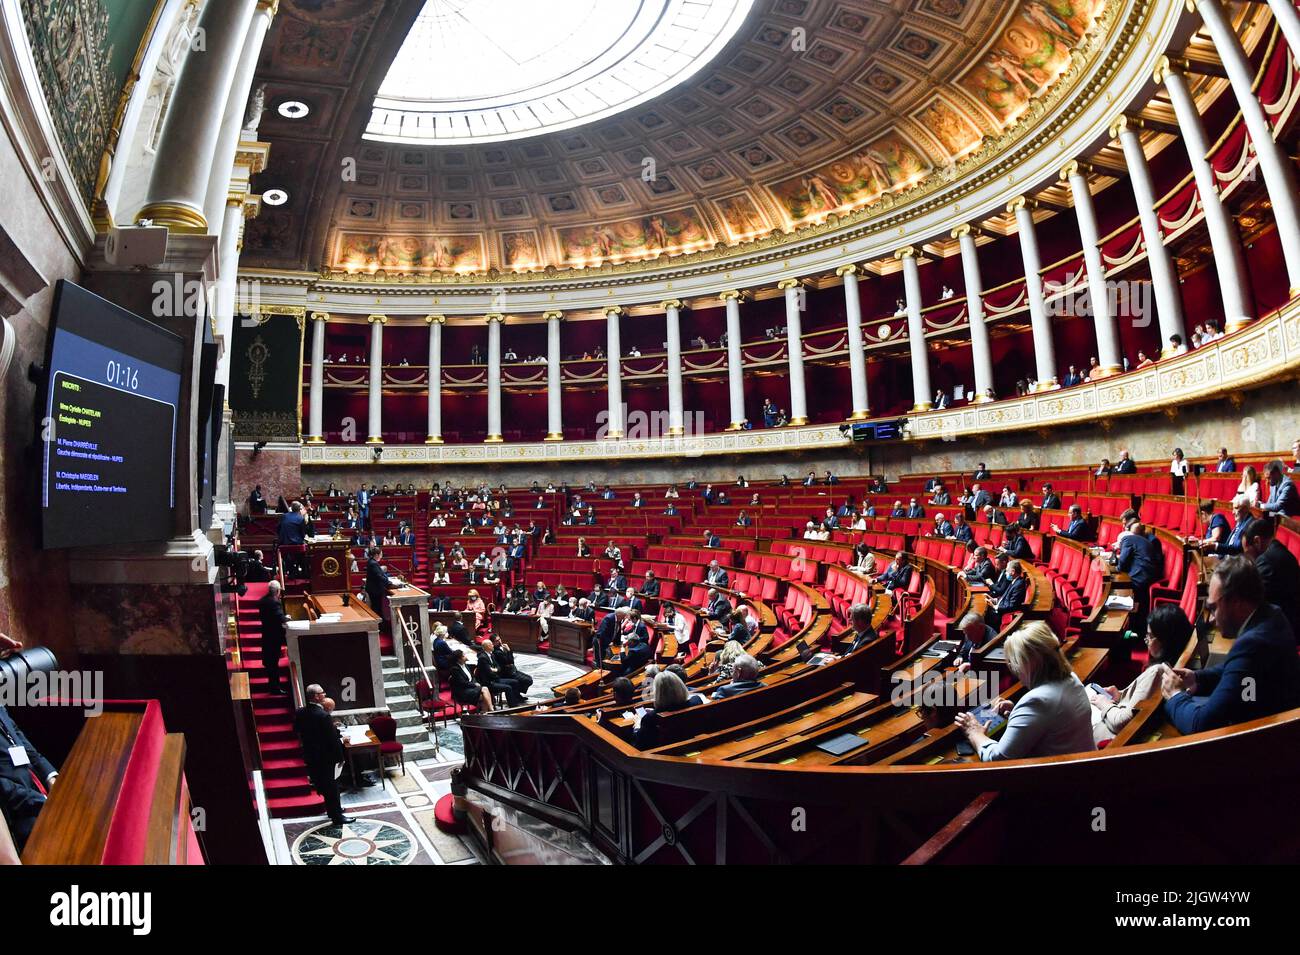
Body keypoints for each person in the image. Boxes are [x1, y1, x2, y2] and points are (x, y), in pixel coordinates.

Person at [1162, 557, 1300, 732]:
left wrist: (1175, 695)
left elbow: (1201, 725)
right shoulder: (1272, 614)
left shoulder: (1253, 644)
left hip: (1262, 743)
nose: (1211, 619)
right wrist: (1198, 677)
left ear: (1236, 602)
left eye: (1213, 608)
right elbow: (1241, 672)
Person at [954, 622, 1095, 761]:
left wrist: (975, 733)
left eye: (1014, 663)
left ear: (1027, 663)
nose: (1014, 670)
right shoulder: (1071, 678)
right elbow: (1050, 720)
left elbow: (997, 759)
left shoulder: (1037, 701)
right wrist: (1017, 712)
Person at [1087, 605, 1195, 745]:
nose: (1146, 640)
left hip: (1111, 737)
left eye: (1150, 636)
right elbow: (1141, 702)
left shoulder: (1158, 672)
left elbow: (1122, 723)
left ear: (1165, 640)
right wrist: (1121, 695)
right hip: (1118, 713)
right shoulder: (1171, 669)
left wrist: (1104, 704)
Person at [0, 666, 58, 852]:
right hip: (18, 816)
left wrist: (50, 776)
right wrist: (41, 800)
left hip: (37, 788)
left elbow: (16, 734)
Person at [293, 684, 352, 826]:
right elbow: (331, 739)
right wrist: (340, 758)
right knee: (332, 787)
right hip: (327, 758)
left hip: (311, 756)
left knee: (323, 786)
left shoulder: (300, 712)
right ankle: (337, 816)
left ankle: (332, 811)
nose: (324, 694)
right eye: (322, 692)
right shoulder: (323, 716)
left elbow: (297, 730)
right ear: (316, 696)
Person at [1243, 518, 1300, 639]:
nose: (1249, 559)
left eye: (1248, 553)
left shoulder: (1267, 561)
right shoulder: (1276, 550)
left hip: (1284, 630)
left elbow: (1251, 599)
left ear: (1257, 541)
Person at [633, 671, 694, 750]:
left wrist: (637, 726)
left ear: (658, 693)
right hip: (692, 745)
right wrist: (654, 711)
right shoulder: (696, 702)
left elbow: (640, 745)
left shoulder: (650, 718)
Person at [257, 579, 290, 695]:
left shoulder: (263, 601)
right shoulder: (274, 602)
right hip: (273, 637)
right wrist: (286, 618)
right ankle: (275, 688)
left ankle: (273, 686)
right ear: (277, 591)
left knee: (270, 662)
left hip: (266, 635)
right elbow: (279, 617)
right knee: (273, 663)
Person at [476, 639, 526, 706]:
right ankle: (512, 705)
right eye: (491, 644)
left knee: (515, 682)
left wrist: (496, 670)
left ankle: (516, 700)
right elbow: (488, 672)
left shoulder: (491, 655)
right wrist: (495, 672)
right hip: (489, 683)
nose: (493, 645)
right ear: (486, 646)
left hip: (496, 679)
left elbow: (498, 667)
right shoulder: (482, 658)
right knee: (508, 688)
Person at [985, 558, 1029, 628]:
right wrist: (994, 600)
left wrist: (995, 607)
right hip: (1001, 607)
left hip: (1001, 613)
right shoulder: (1015, 581)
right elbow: (1005, 597)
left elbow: (1012, 606)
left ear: (1013, 571)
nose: (1005, 573)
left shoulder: (1019, 585)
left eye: (1007, 571)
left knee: (984, 615)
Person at [365, 546, 398, 618]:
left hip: (373, 589)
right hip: (374, 590)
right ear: (376, 555)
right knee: (376, 607)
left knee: (377, 607)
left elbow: (380, 574)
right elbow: (379, 576)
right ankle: (379, 624)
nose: (381, 556)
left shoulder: (371, 561)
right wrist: (389, 583)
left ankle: (380, 621)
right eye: (381, 554)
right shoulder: (373, 563)